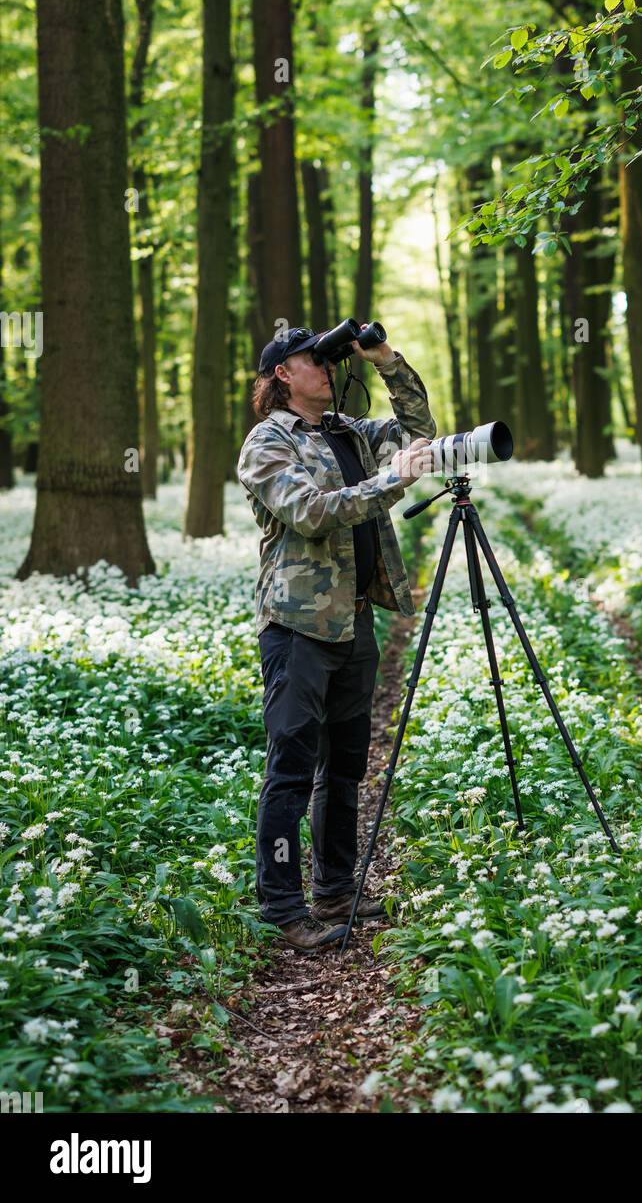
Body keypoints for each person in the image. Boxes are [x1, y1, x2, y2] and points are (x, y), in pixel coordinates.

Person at [236, 324, 436, 952]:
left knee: (345, 765)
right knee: (292, 766)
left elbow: (420, 435)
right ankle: (282, 904)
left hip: (354, 619)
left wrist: (383, 359)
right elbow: (312, 514)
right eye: (310, 360)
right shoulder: (267, 443)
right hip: (298, 626)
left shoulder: (349, 431)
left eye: (327, 358)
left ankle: (336, 886)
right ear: (281, 377)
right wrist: (392, 481)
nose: (324, 367)